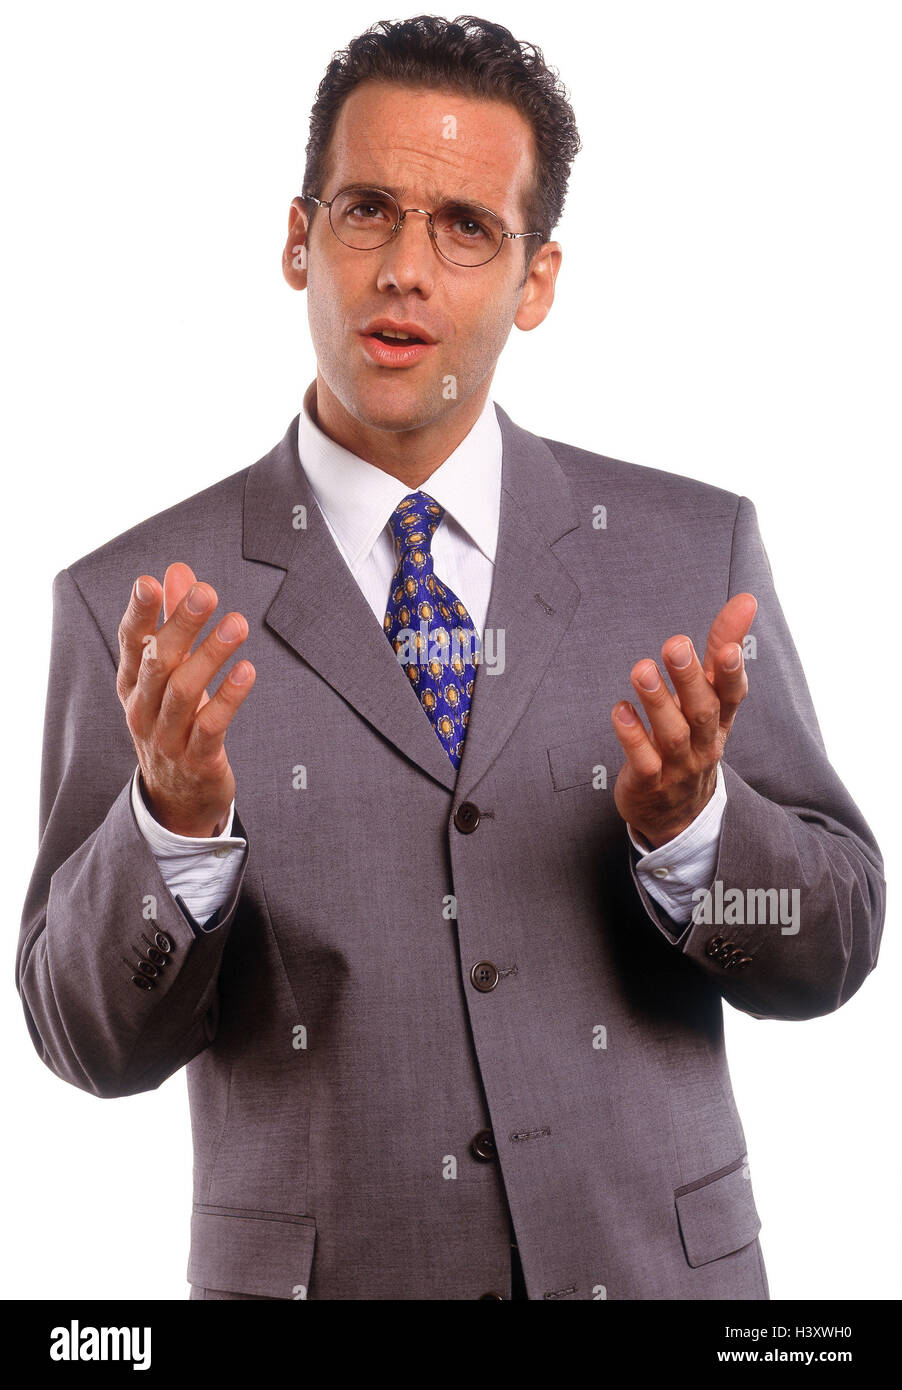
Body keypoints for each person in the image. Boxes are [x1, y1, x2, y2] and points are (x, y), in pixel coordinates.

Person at [16, 14, 884, 1301]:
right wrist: (175, 832)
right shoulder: (135, 605)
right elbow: (85, 1036)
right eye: (367, 209)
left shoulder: (689, 555)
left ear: (533, 280)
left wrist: (697, 834)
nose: (404, 271)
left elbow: (832, 942)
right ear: (297, 239)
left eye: (465, 226)